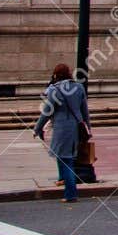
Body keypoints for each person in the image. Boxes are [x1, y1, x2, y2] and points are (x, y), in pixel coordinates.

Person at [34, 64, 88, 202]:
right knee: (65, 156)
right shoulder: (79, 87)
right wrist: (88, 128)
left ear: (56, 75)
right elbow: (85, 110)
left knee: (66, 160)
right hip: (76, 127)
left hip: (62, 128)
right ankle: (62, 179)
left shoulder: (55, 90)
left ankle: (71, 194)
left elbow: (47, 112)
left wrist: (37, 128)